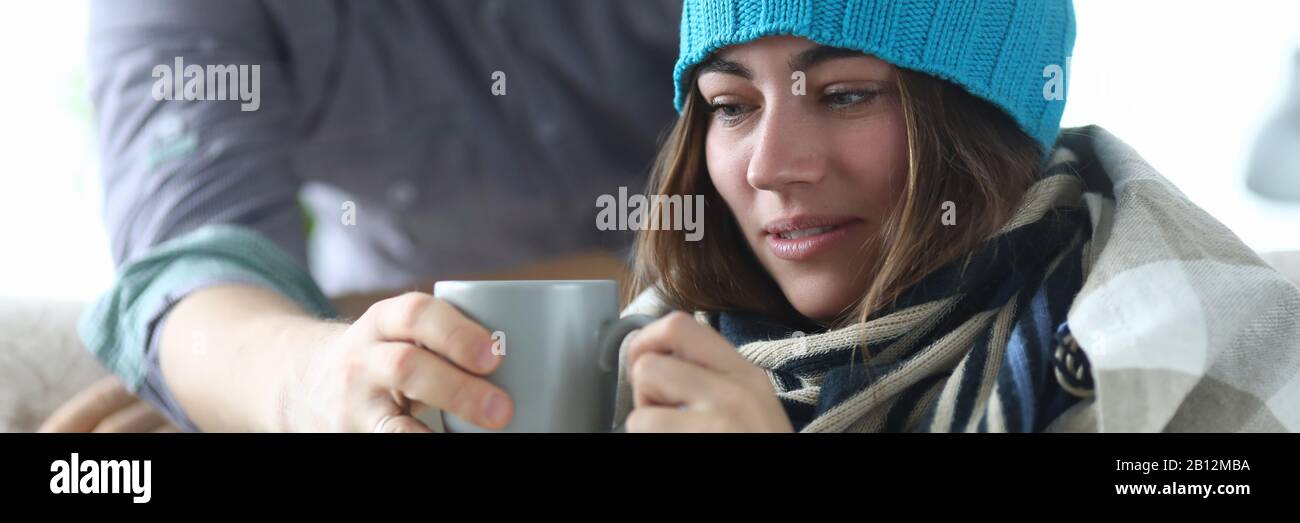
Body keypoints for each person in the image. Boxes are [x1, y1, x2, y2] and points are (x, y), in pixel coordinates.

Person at [607, 0, 1300, 432]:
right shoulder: (622, 371)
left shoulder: (1224, 358)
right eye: (731, 106)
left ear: (984, 121)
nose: (769, 166)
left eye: (846, 95)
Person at [44, 0, 681, 433]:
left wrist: (309, 336)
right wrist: (287, 380)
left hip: (727, 325)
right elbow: (194, 266)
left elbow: (762, 220)